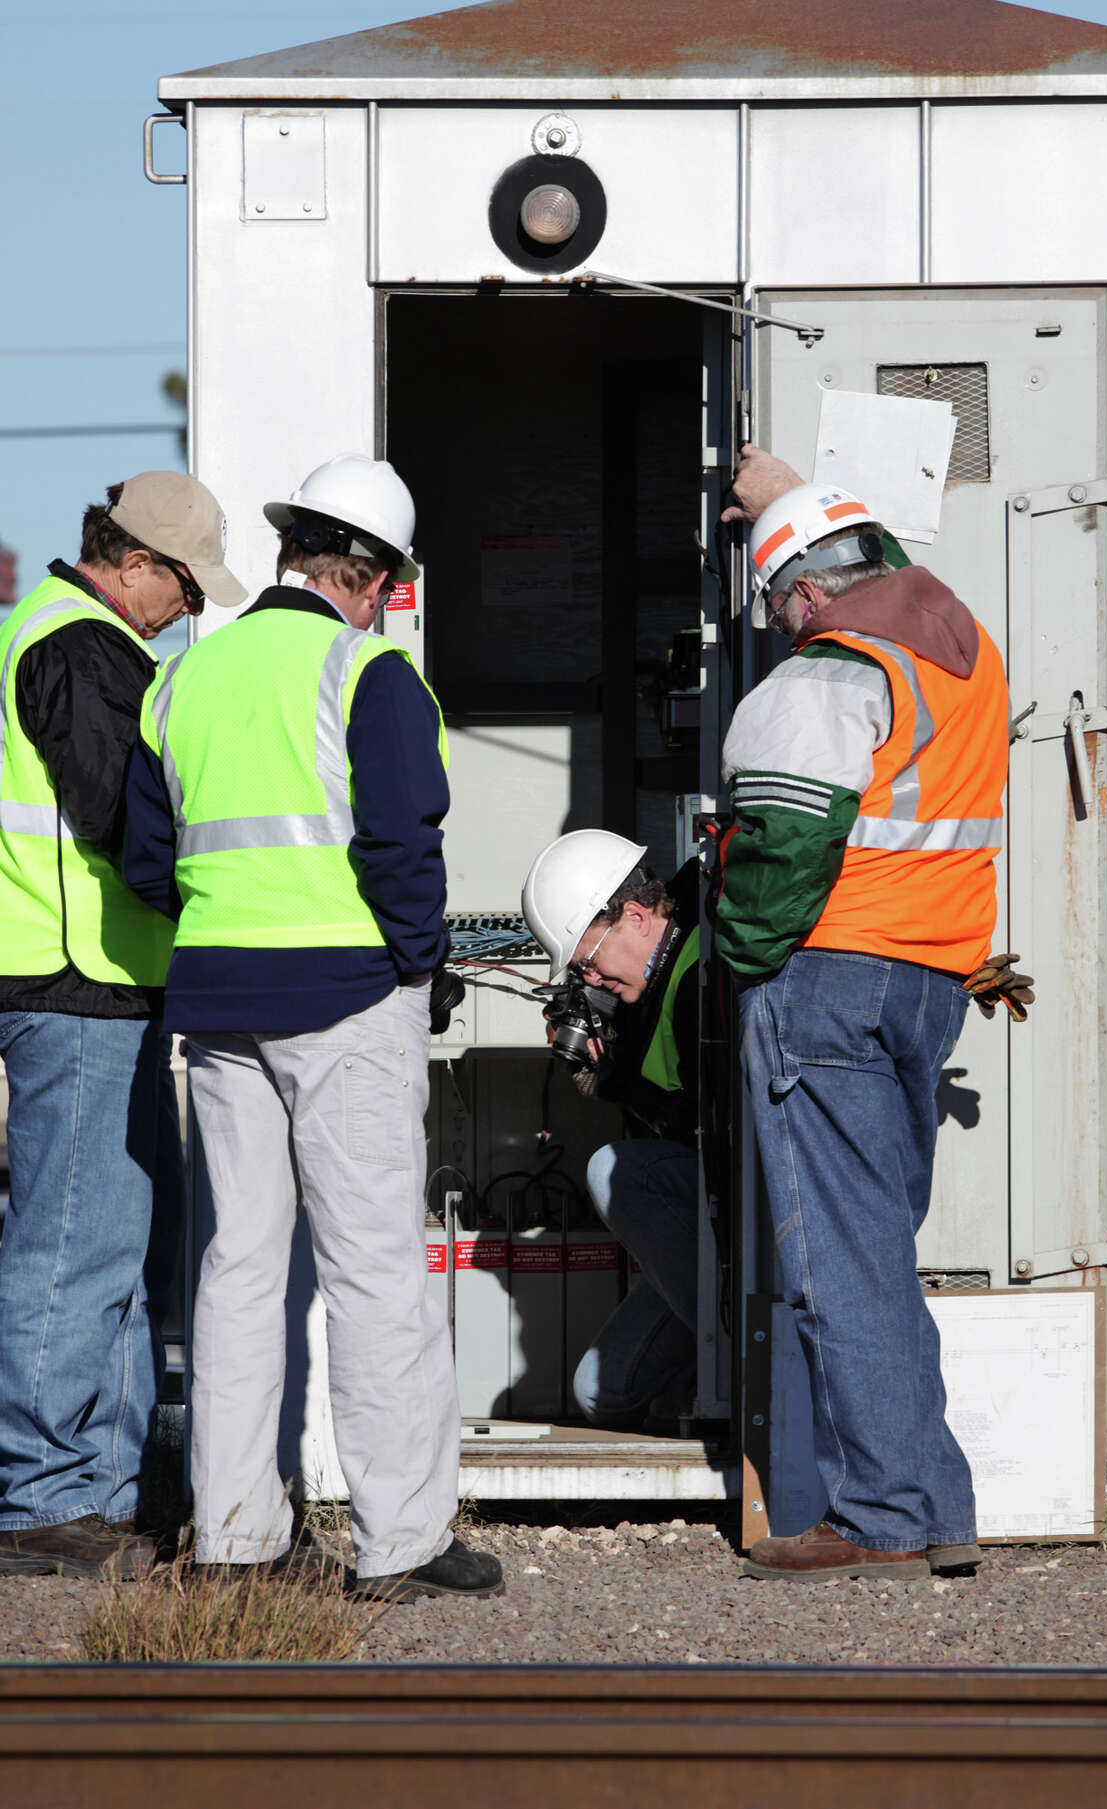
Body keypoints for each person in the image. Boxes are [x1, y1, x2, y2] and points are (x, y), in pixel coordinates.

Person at [122, 453, 503, 1604]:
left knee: (237, 1269)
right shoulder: (369, 672)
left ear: (293, 552)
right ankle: (403, 1542)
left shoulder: (186, 676)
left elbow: (148, 862)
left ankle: (235, 1535)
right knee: (376, 1269)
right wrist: (419, 968)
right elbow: (403, 848)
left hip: (220, 1007)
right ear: (375, 578)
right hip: (347, 1002)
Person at [716, 447, 1009, 1582]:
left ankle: (884, 1510)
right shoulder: (963, 653)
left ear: (803, 592)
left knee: (842, 1256)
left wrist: (740, 960)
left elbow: (784, 848)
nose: (785, 628)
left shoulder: (825, 672)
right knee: (880, 1246)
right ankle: (934, 1505)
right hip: (931, 983)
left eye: (783, 610)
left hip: (829, 978)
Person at [0, 470, 246, 1580]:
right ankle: (44, 1494)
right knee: (72, 1247)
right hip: (74, 977)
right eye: (187, 588)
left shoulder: (64, 638)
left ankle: (100, 1489)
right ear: (134, 563)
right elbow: (116, 817)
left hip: (93, 980)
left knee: (119, 1247)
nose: (192, 610)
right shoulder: (79, 647)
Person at [521, 831, 701, 1429]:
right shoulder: (647, 993)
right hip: (700, 1230)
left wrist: (617, 1076)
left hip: (734, 1226)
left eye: (589, 962)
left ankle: (743, 1348)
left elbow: (710, 1124)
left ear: (636, 916)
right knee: (600, 1392)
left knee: (617, 1170)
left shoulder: (703, 970)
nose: (592, 981)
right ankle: (717, 1354)